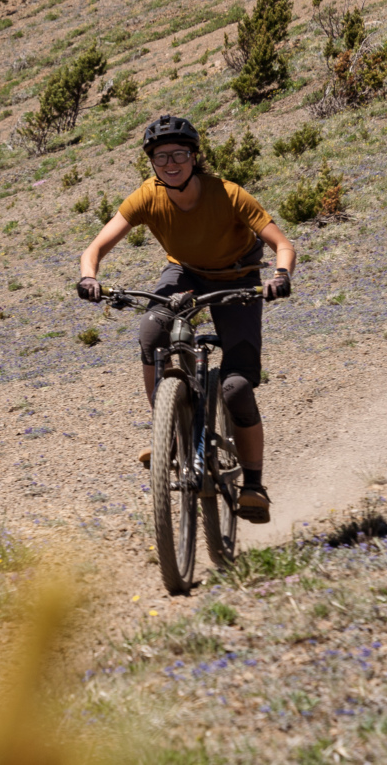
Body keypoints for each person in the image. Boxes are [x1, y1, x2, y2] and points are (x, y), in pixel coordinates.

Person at [76, 114, 294, 523]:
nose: (171, 163)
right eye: (161, 157)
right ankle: (167, 432)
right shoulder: (147, 196)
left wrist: (280, 277)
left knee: (235, 387)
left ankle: (253, 484)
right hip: (186, 272)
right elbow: (95, 249)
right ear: (152, 163)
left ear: (195, 157)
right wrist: (90, 277)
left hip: (237, 276)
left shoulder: (228, 194)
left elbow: (282, 244)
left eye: (179, 154)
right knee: (151, 329)